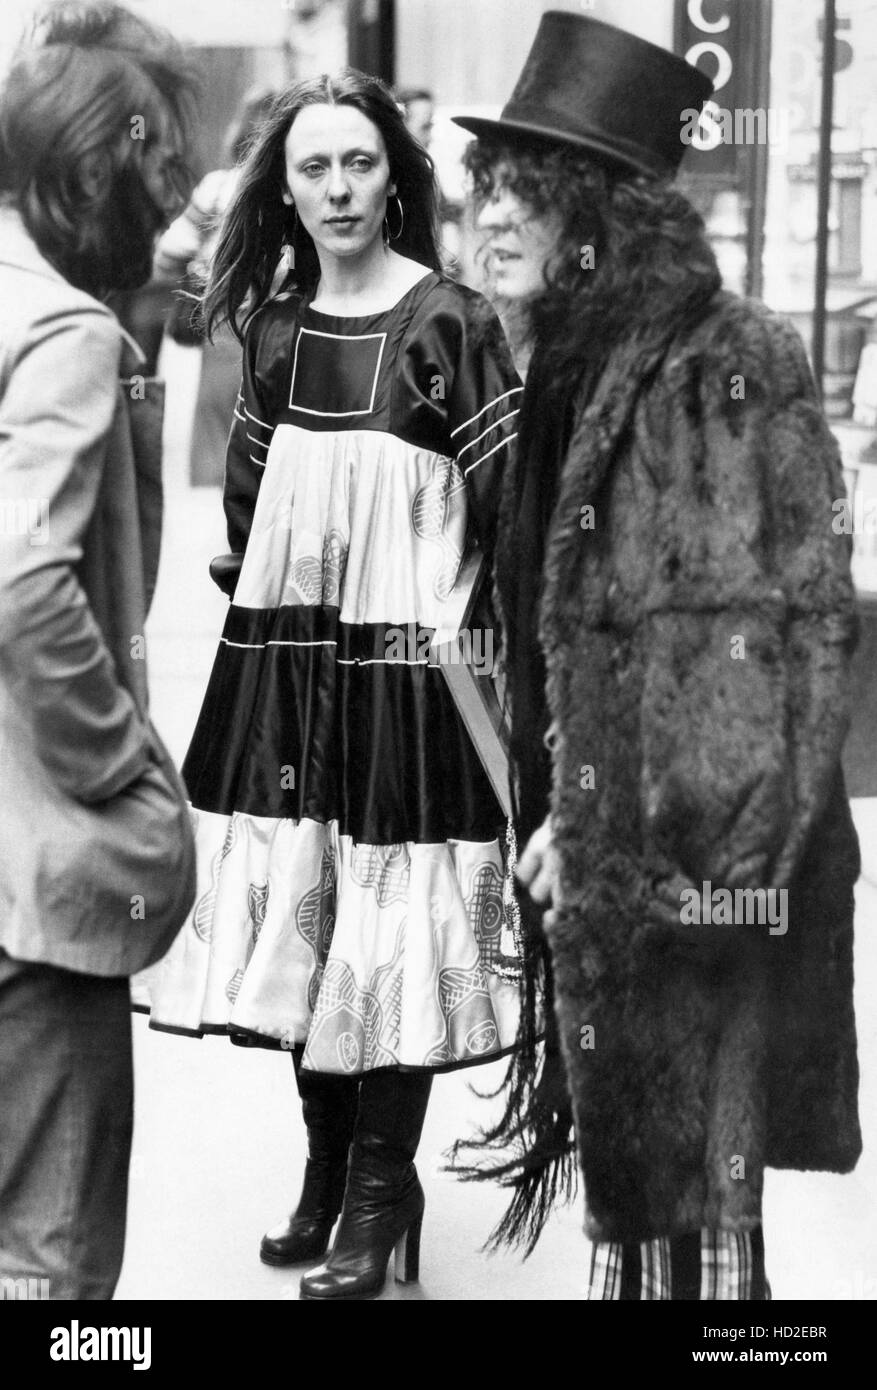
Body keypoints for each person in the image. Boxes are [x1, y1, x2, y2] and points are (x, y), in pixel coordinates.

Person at [451, 11, 862, 1300]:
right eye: (487, 189)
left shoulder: (715, 364)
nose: (494, 219)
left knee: (708, 1232)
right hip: (623, 877)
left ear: (607, 220)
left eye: (534, 191)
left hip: (701, 875)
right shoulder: (564, 371)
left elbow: (741, 663)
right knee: (650, 1228)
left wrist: (604, 837)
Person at [137, 68, 523, 1301]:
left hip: (414, 686)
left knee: (391, 938)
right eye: (314, 167)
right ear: (285, 188)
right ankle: (322, 1171)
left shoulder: (452, 322)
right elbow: (248, 519)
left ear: (394, 178)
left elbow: (508, 520)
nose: (339, 187)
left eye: (361, 164)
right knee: (309, 925)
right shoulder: (276, 332)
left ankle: (376, 1194)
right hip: (293, 679)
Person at [0, 0, 199, 1300]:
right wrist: (117, 765)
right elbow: (24, 580)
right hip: (33, 883)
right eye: (159, 174)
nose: (172, 213)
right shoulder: (64, 333)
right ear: (97, 171)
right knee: (55, 1271)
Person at [154, 87, 278, 486]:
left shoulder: (219, 187)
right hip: (285, 323)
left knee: (219, 437)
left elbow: (167, 254)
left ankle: (227, 534)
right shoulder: (292, 188)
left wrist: (199, 265)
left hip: (225, 322)